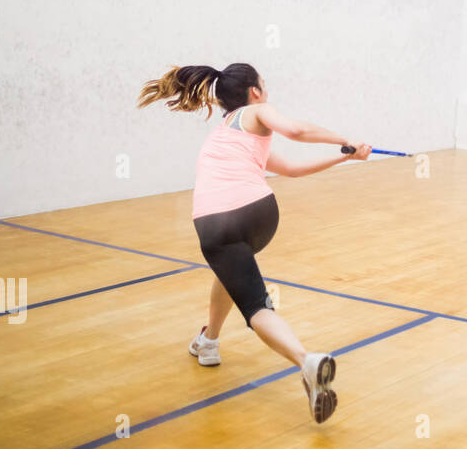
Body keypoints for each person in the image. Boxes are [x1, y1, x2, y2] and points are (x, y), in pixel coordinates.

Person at [136, 62, 370, 423]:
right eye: (264, 84)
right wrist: (344, 143)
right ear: (255, 92)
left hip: (216, 225)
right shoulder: (256, 113)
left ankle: (305, 361)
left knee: (256, 307)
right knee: (231, 272)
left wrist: (347, 155)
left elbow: (289, 156)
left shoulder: (226, 133)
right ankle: (208, 341)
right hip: (262, 215)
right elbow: (293, 145)